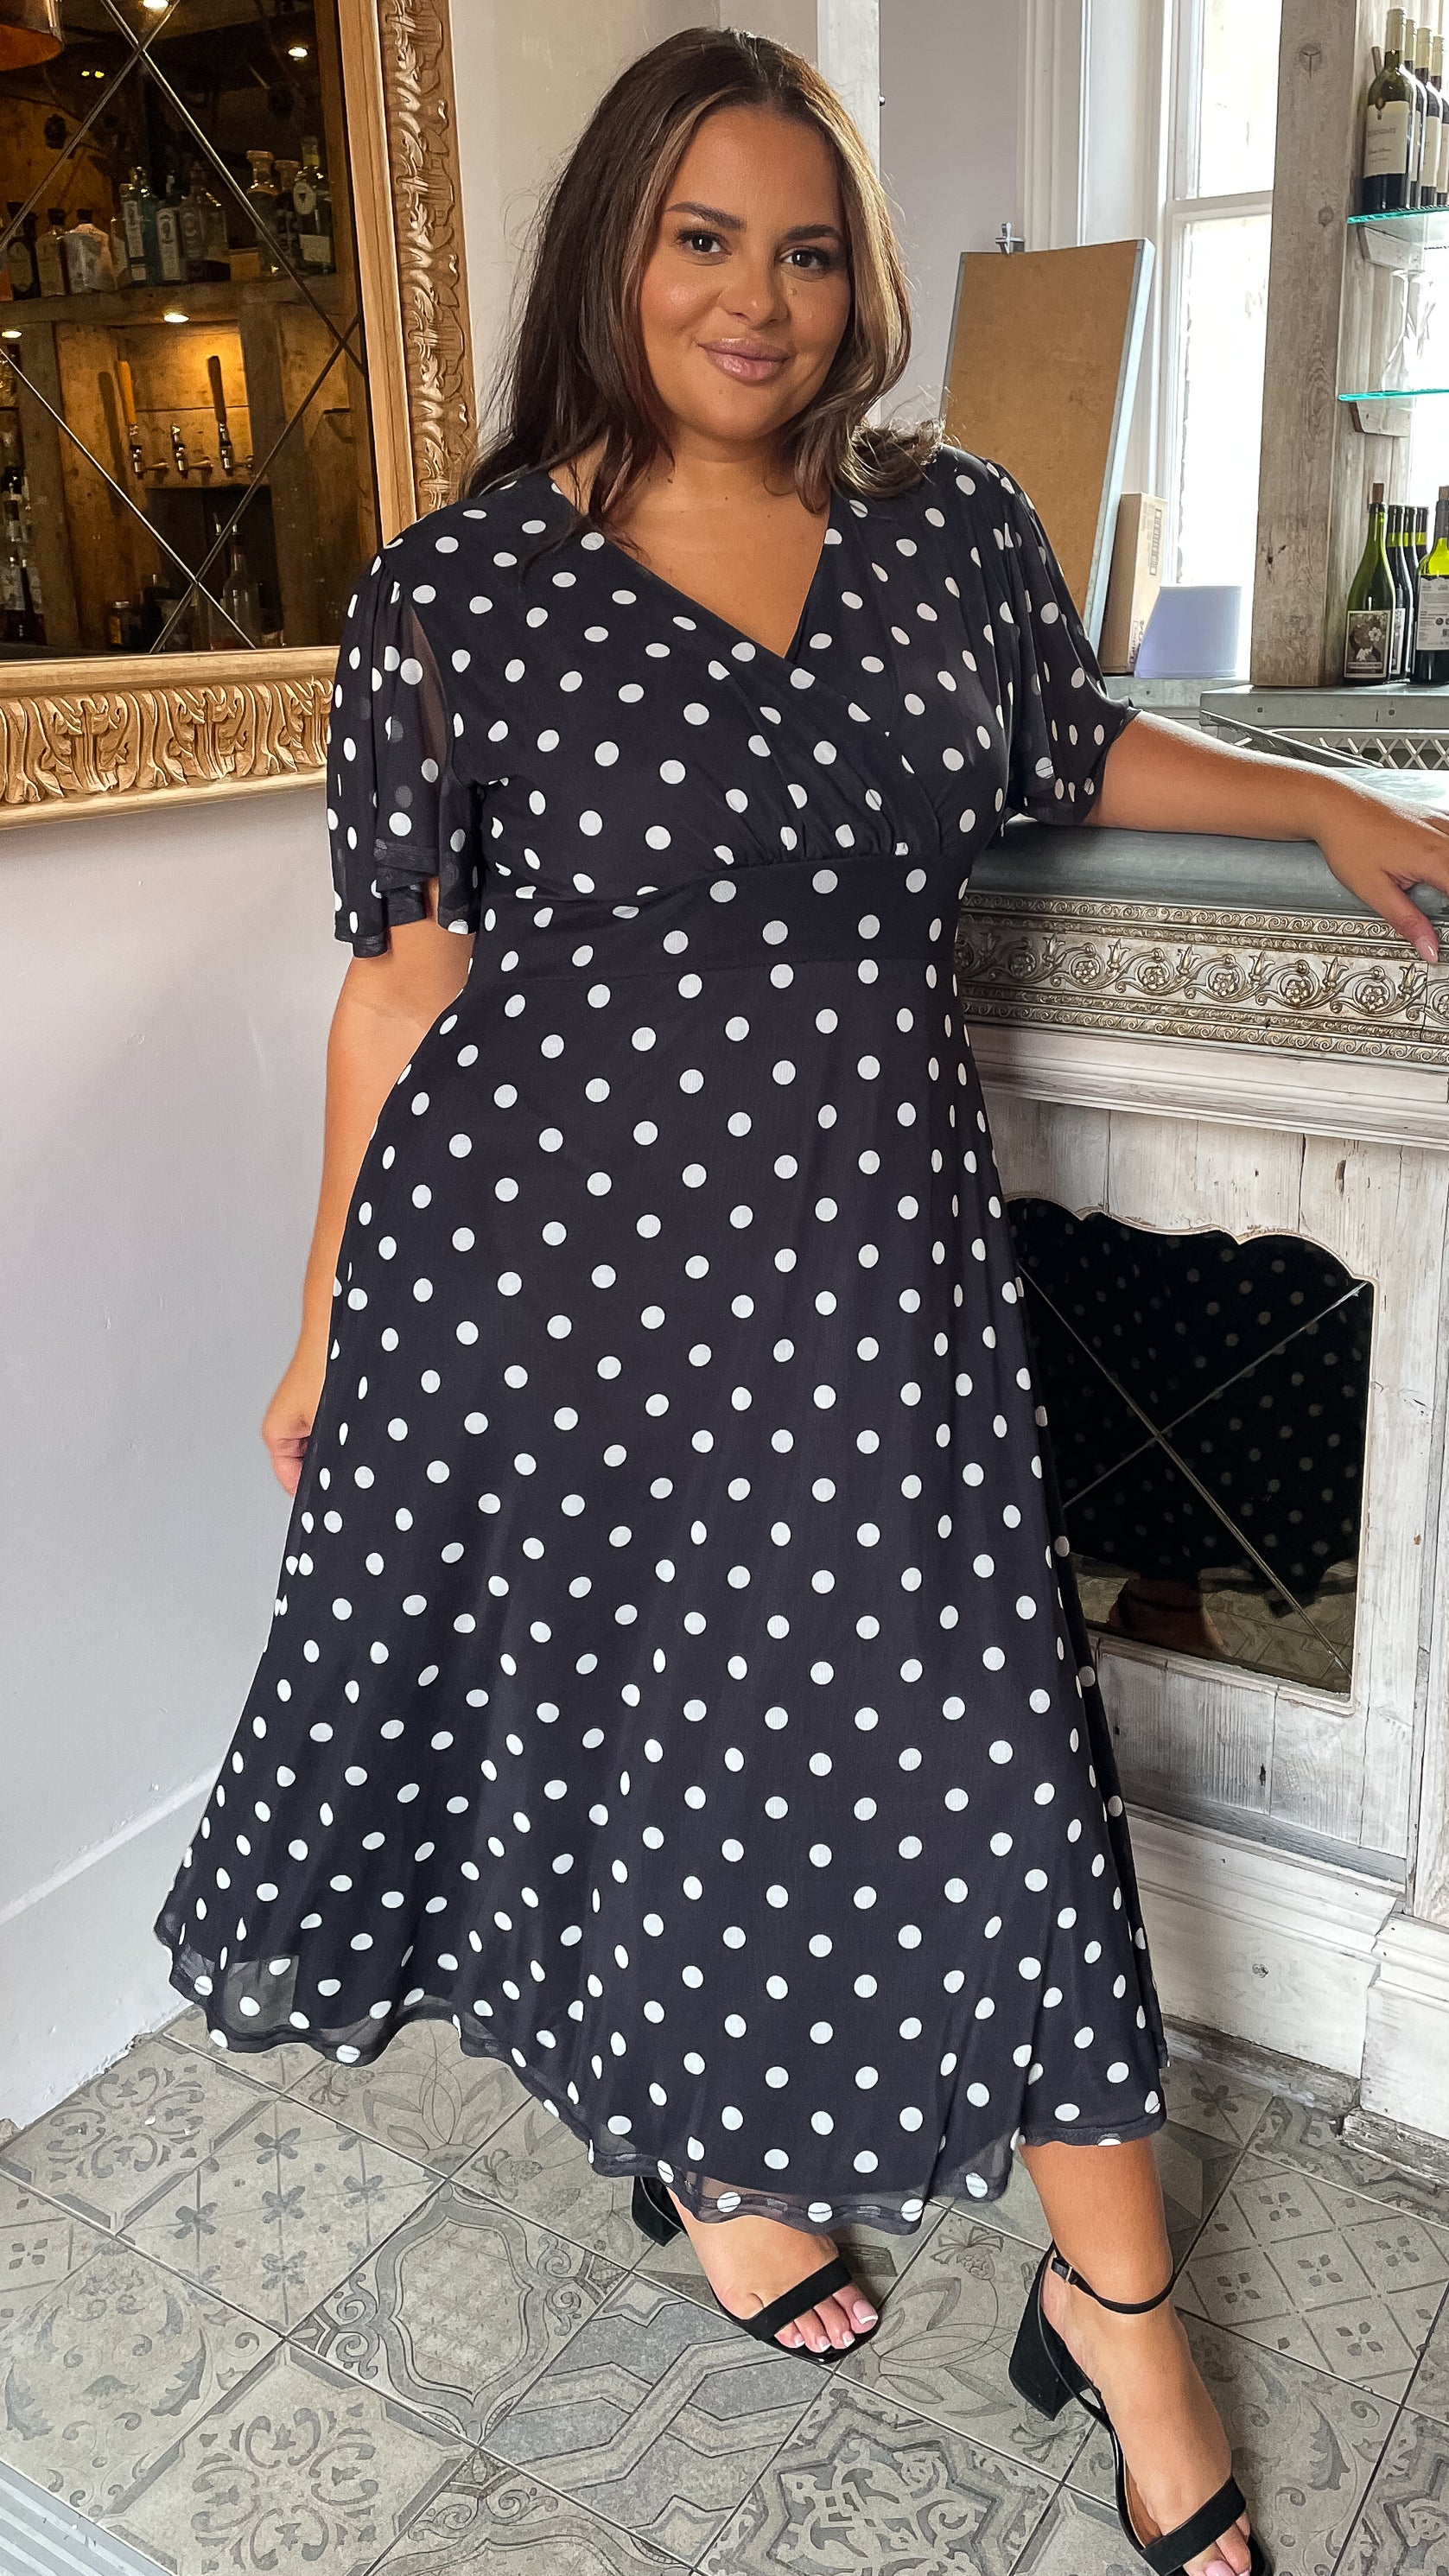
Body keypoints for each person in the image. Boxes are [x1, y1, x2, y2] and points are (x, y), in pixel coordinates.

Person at [153, 29, 1449, 2576]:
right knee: (653, 1755)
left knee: (990, 1774)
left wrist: (1320, 798)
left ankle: (1120, 2312)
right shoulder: (457, 593)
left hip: (869, 1293)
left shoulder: (945, 530)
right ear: (612, 259)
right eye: (702, 239)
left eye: (810, 250)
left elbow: (1069, 745)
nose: (759, 299)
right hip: (552, 1298)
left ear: (858, 287)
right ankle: (722, 2169)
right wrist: (320, 1324)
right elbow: (398, 997)